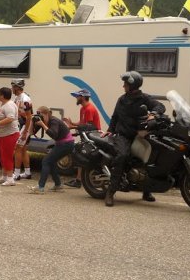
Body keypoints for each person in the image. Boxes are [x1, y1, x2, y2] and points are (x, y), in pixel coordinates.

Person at [103, 71, 165, 207]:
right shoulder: (122, 99)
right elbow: (115, 117)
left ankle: (146, 191)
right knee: (122, 156)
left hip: (139, 135)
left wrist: (154, 114)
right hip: (123, 135)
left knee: (150, 158)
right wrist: (109, 131)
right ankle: (110, 192)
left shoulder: (144, 98)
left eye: (125, 84)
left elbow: (160, 106)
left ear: (132, 85)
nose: (123, 86)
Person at [28, 107, 74, 194]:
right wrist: (31, 121)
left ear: (46, 114)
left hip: (67, 144)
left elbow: (54, 134)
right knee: (51, 162)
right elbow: (30, 133)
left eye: (40, 114)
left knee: (46, 161)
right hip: (61, 144)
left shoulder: (53, 121)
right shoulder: (42, 121)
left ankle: (40, 187)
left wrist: (42, 125)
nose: (39, 116)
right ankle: (58, 185)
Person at [62, 88, 102, 188]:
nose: (76, 98)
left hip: (92, 136)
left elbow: (89, 125)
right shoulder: (83, 108)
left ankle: (82, 179)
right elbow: (82, 123)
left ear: (83, 97)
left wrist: (72, 127)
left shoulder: (89, 109)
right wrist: (72, 123)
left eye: (77, 96)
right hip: (86, 135)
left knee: (83, 155)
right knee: (81, 155)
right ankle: (79, 179)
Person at [0, 87, 20, 186]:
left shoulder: (9, 105)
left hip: (9, 134)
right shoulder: (4, 104)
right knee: (2, 156)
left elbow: (10, 118)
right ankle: (4, 176)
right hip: (2, 134)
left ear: (2, 95)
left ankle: (10, 178)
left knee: (7, 156)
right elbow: (0, 114)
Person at [11, 79, 33, 181]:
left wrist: (25, 132)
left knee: (17, 148)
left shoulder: (25, 99)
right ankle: (28, 172)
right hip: (22, 123)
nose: (11, 88)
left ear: (17, 87)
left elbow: (29, 117)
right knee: (23, 149)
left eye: (12, 86)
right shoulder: (17, 98)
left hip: (26, 124)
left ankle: (17, 173)